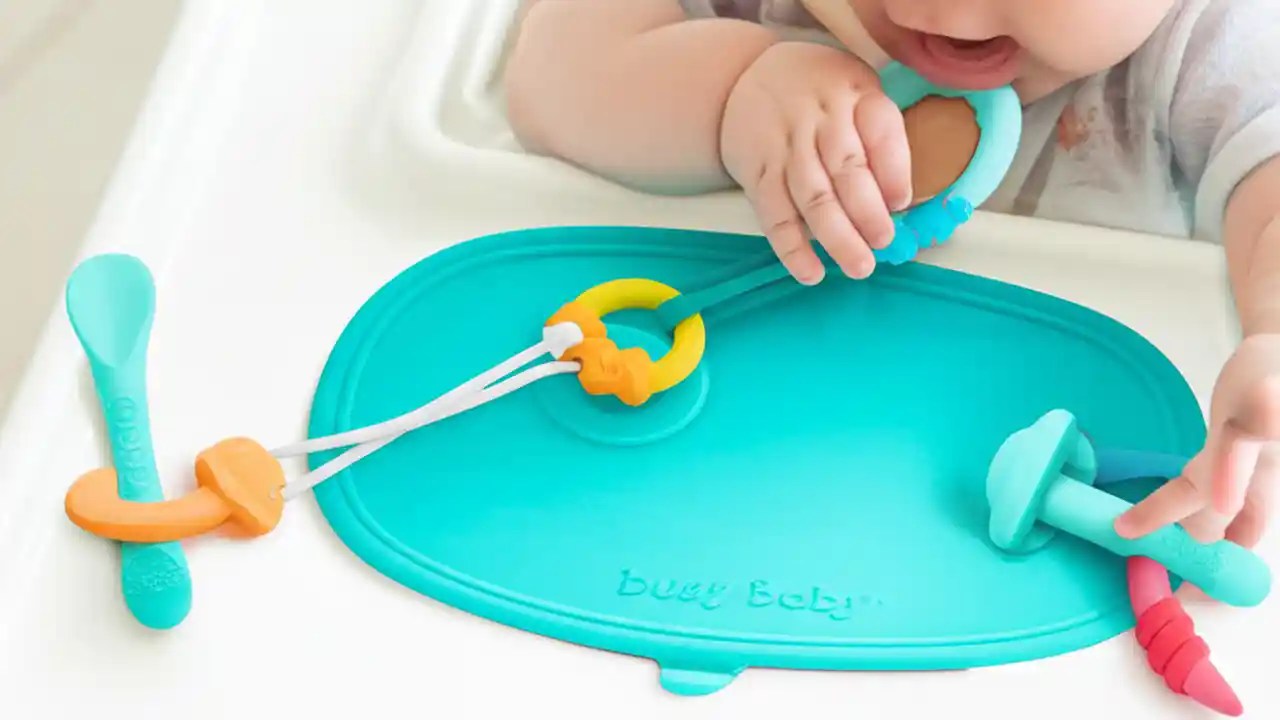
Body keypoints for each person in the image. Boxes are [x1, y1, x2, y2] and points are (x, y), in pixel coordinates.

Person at [505, 0, 1280, 552]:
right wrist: (730, 89)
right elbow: (553, 68)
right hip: (720, 472)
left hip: (1033, 473)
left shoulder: (1213, 36)